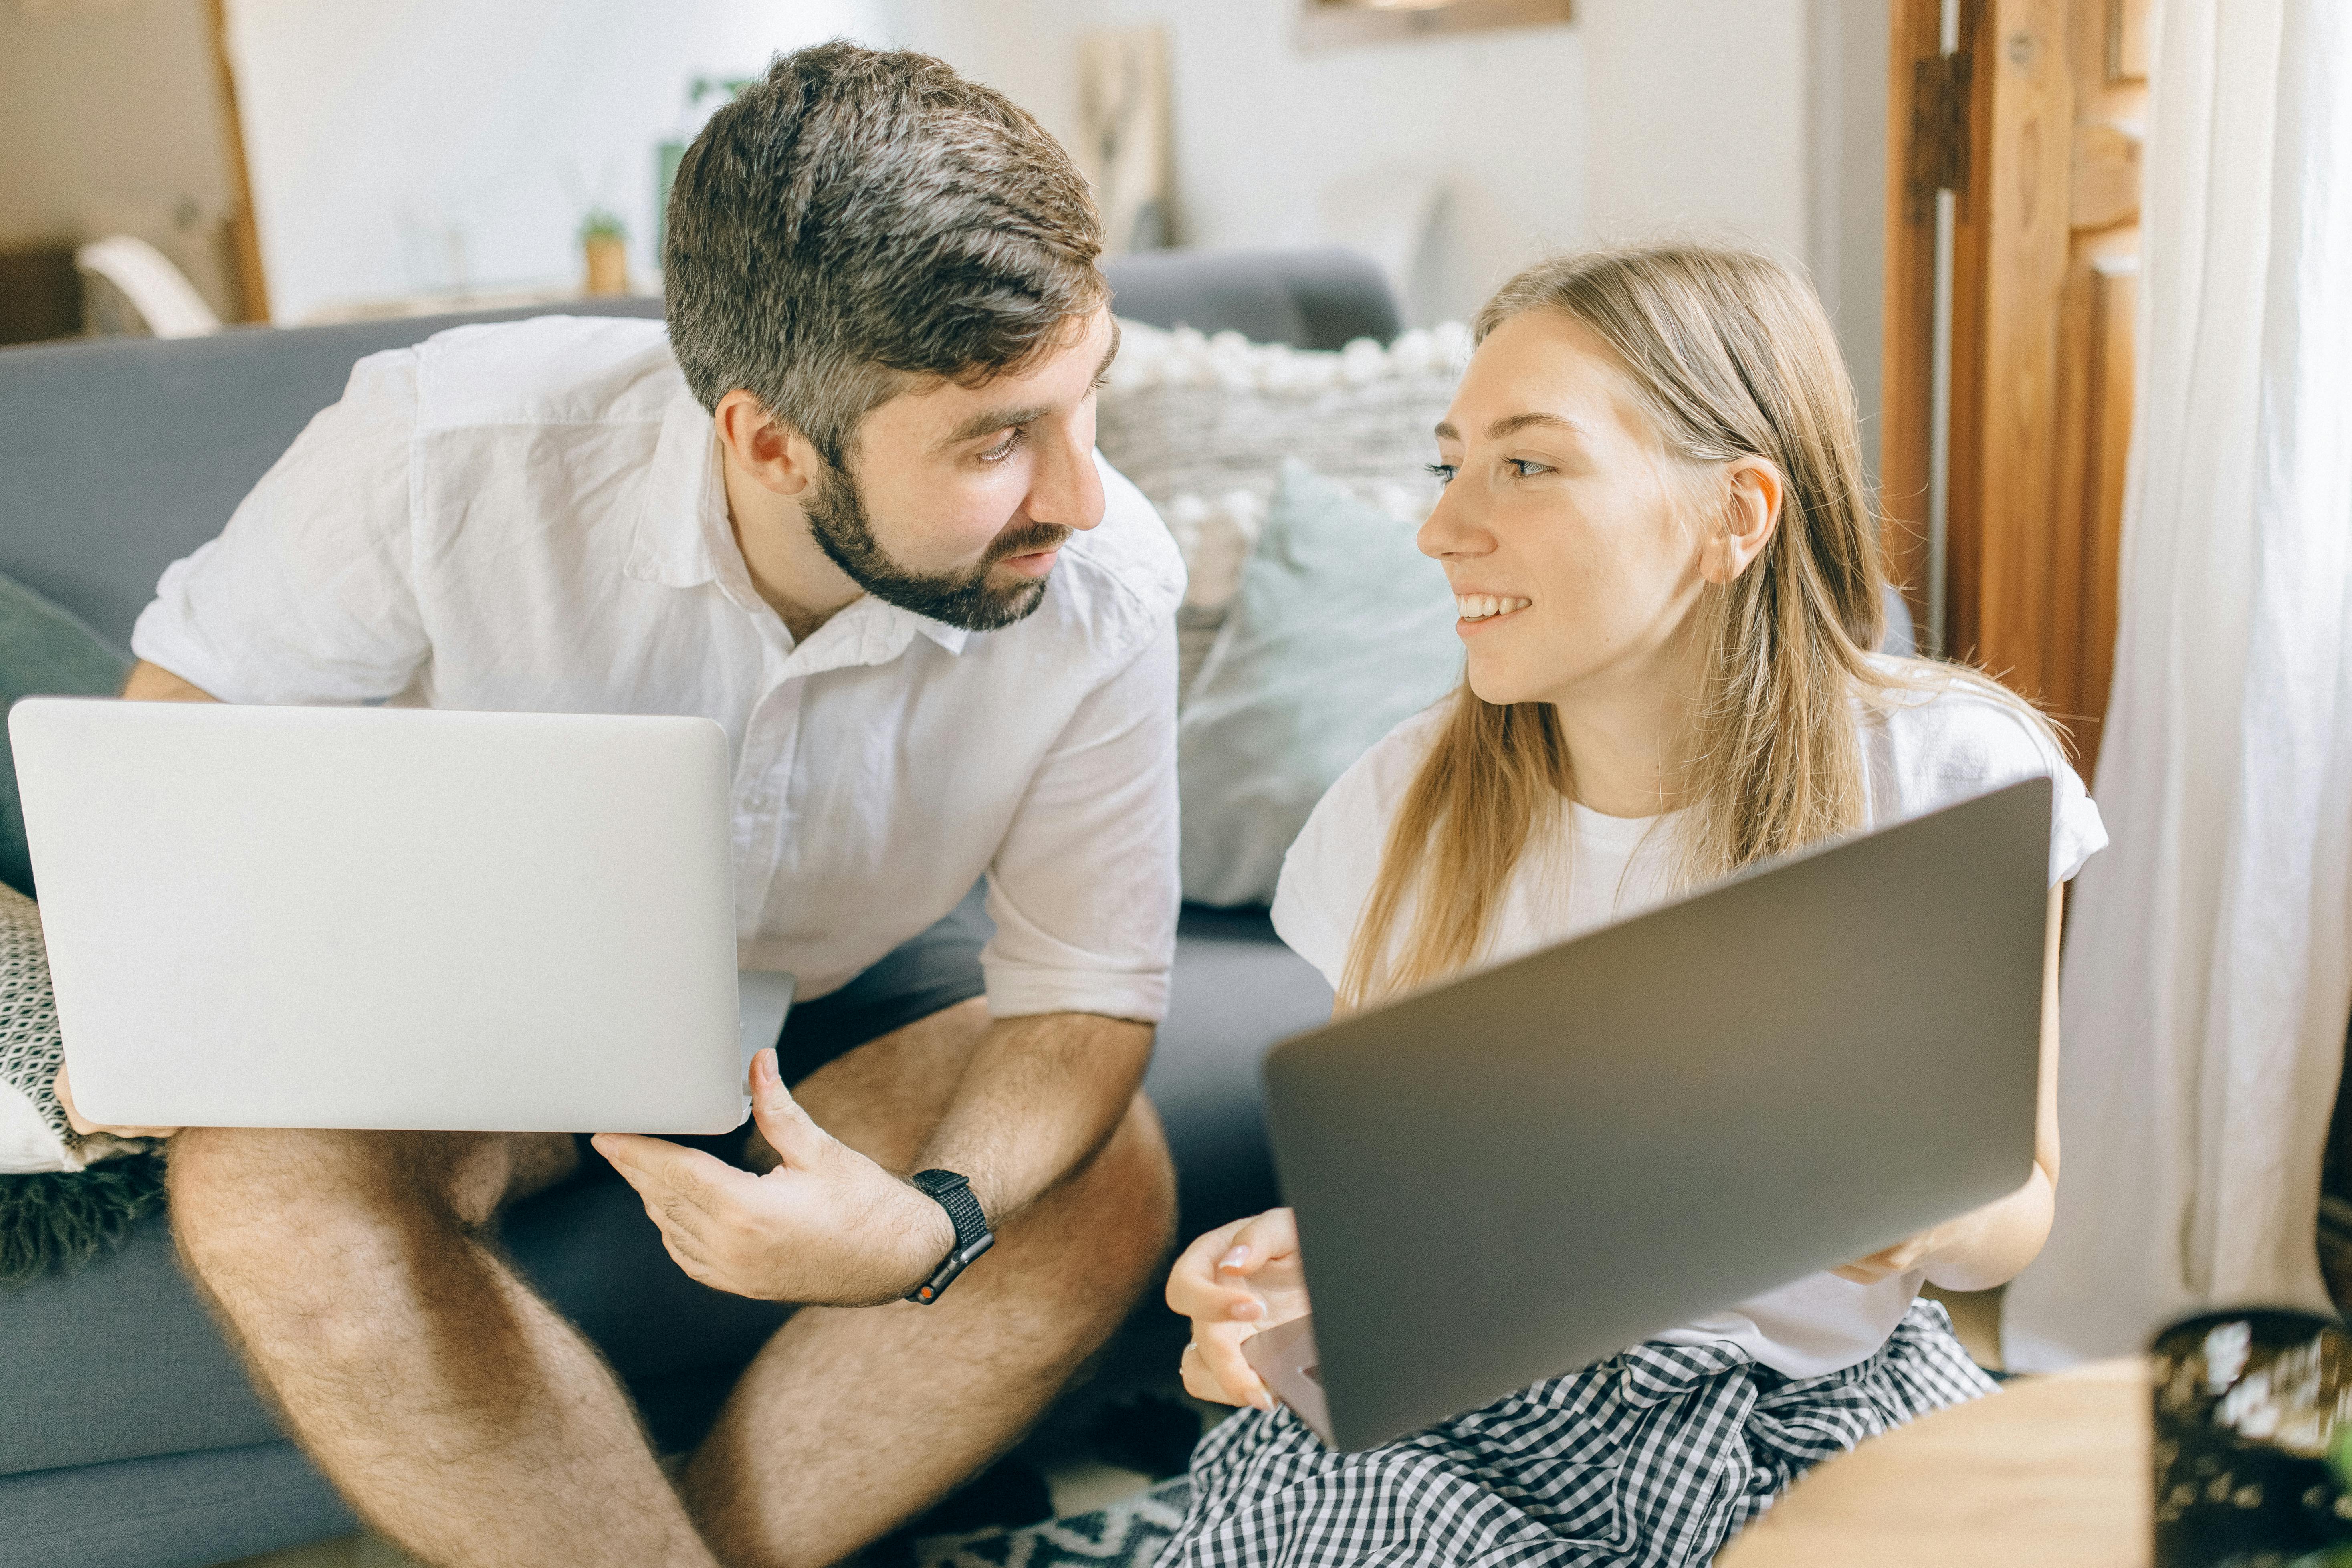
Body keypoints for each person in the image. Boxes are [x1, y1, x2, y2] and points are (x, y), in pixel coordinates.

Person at [58, 43, 1183, 1568]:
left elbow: (1083, 997)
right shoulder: (437, 449)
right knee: (259, 1191)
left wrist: (932, 1219)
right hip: (464, 1010)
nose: (1083, 495)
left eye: (1082, 403)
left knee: (1107, 1179)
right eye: (996, 439)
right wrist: (184, 986)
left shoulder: (1103, 589)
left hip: (837, 995)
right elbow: (185, 727)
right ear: (769, 440)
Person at [1163, 246, 2106, 1568]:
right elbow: (1414, 1239)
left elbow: (2015, 1215)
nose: (1441, 528)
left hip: (1817, 1412)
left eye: (1528, 464)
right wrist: (1273, 1294)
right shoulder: (1397, 818)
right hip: (1475, 1430)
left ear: (1736, 514)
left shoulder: (1949, 774)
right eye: (1451, 465)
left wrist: (1914, 1205)